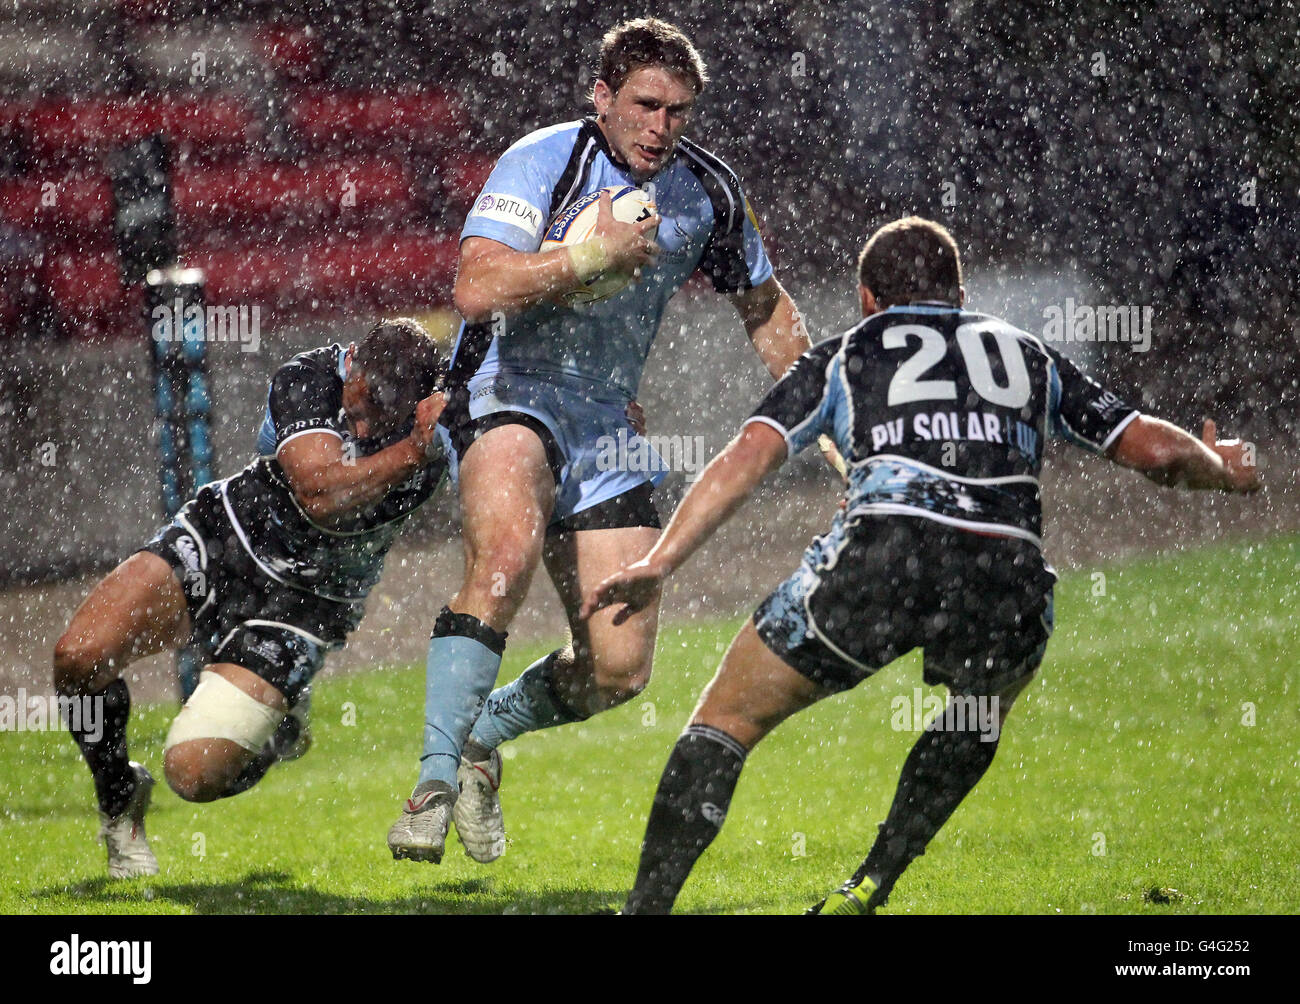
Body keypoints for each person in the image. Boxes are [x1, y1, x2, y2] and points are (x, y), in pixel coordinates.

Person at [582, 216, 1261, 914]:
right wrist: (1223, 469)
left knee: (726, 718)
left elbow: (746, 458)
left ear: (868, 298)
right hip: (1006, 577)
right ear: (960, 293)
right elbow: (1152, 448)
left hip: (884, 558)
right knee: (977, 713)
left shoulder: (847, 354)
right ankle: (871, 882)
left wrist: (661, 562)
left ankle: (646, 910)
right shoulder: (1027, 353)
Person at [387, 16, 843, 865]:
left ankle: (479, 735)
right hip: (504, 393)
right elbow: (477, 286)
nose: (660, 127)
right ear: (602, 98)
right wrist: (586, 256)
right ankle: (431, 783)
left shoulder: (707, 192)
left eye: (678, 111)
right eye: (644, 104)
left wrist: (828, 413)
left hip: (606, 423)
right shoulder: (545, 158)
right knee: (503, 559)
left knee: (619, 669)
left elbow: (767, 309)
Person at [54, 318, 447, 878]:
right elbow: (317, 492)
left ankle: (275, 729)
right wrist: (413, 450)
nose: (360, 425)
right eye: (357, 406)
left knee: (191, 775)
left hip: (307, 603)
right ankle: (119, 800)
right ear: (352, 362)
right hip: (226, 536)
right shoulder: (311, 377)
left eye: (379, 419)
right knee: (77, 657)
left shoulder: (449, 418)